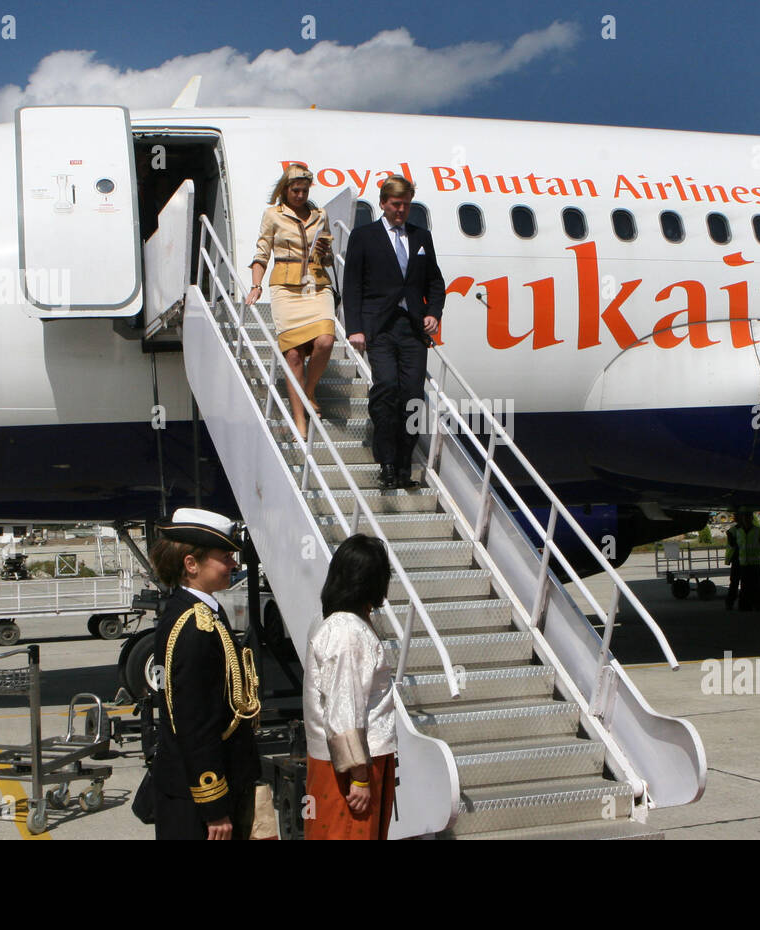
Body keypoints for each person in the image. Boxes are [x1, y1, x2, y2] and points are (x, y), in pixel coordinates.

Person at [147, 508, 261, 840]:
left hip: (209, 783)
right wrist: (214, 806)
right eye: (225, 557)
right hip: (198, 796)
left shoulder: (203, 611)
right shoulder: (193, 627)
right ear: (191, 565)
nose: (233, 565)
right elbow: (194, 723)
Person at [343, 175, 446, 490]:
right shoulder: (364, 236)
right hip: (380, 326)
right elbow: (352, 285)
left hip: (412, 328)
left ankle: (404, 466)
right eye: (396, 204)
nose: (401, 211)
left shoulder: (421, 237)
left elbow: (435, 283)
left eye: (406, 205)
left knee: (413, 398)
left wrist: (433, 313)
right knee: (386, 389)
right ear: (383, 204)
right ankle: (386, 462)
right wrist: (355, 328)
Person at [303, 534, 397, 839]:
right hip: (350, 766)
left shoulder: (330, 620)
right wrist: (359, 776)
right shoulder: (347, 630)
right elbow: (345, 708)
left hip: (338, 759)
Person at [247, 164, 337, 439]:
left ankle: (308, 390)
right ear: (285, 190)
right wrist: (255, 285)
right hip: (285, 288)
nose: (299, 195)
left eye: (304, 190)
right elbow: (262, 252)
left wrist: (324, 251)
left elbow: (331, 259)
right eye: (295, 190)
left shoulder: (320, 215)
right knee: (294, 355)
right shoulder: (273, 215)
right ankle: (300, 420)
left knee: (325, 340)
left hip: (316, 284)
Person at [731, 510, 760, 612]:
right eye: (744, 518)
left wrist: (758, 555)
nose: (746, 520)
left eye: (748, 518)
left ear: (751, 519)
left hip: (755, 563)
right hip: (744, 564)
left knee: (756, 586)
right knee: (744, 586)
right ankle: (744, 606)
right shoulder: (739, 531)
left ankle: (757, 604)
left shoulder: (758, 531)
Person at [724, 520, 741, 611]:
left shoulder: (732, 531)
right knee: (735, 583)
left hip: (741, 560)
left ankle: (731, 602)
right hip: (739, 560)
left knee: (734, 584)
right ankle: (731, 602)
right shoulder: (733, 531)